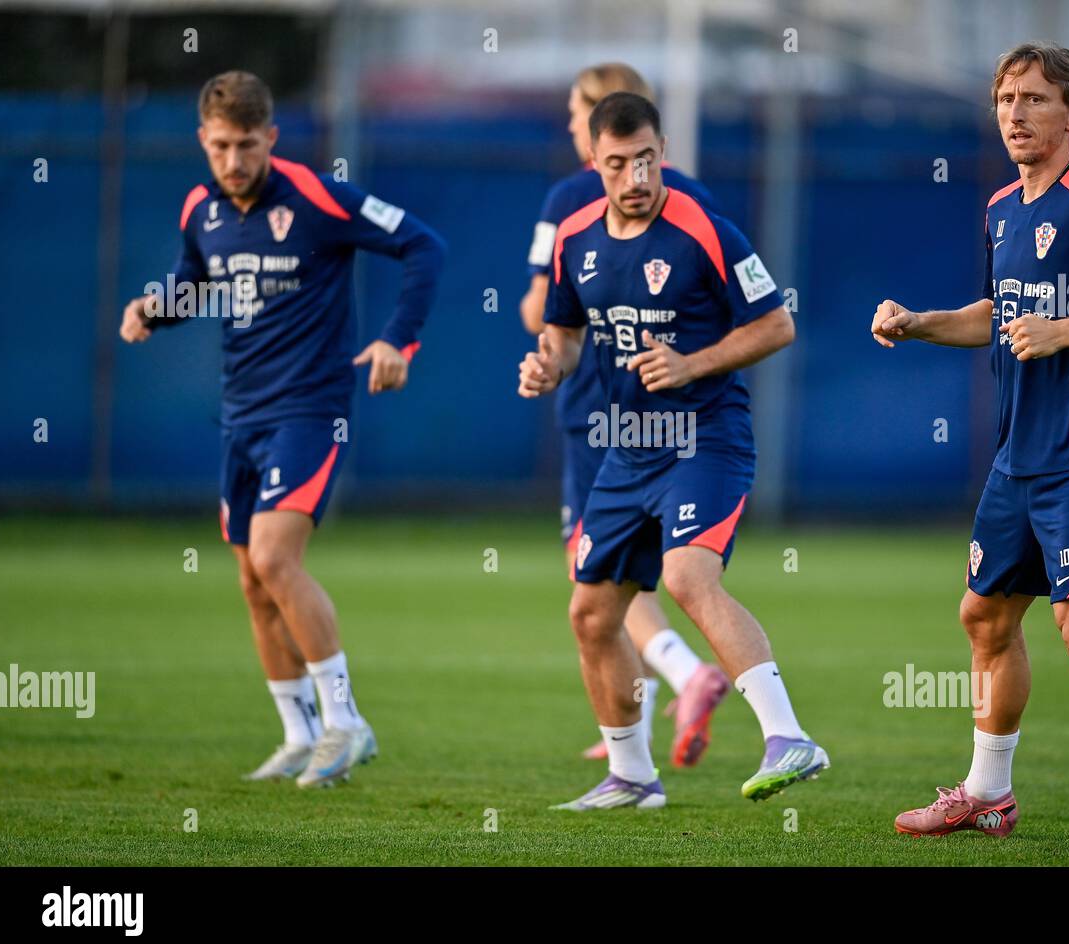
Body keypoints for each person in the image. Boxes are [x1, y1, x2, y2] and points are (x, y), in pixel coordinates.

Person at [872, 43, 1069, 851]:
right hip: (1019, 457)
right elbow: (996, 314)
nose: (1015, 113)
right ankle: (988, 793)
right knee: (984, 616)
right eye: (1006, 99)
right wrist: (919, 322)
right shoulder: (1002, 208)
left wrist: (1067, 330)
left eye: (1036, 99)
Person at [119, 71, 447, 788]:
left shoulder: (316, 196)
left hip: (310, 407)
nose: (232, 162)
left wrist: (399, 339)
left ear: (270, 136)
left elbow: (424, 245)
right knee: (251, 580)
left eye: (245, 145)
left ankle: (346, 721)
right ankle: (299, 735)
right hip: (242, 412)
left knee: (274, 558)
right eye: (218, 147)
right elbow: (196, 278)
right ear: (202, 142)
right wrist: (155, 307)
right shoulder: (200, 207)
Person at [519, 92, 828, 809]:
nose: (636, 177)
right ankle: (632, 776)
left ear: (663, 153)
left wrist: (694, 363)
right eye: (619, 163)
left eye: (647, 159)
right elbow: (564, 335)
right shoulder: (574, 238)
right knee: (591, 613)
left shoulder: (703, 230)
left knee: (688, 578)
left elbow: (777, 325)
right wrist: (547, 366)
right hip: (627, 453)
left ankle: (789, 736)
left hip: (705, 440)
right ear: (594, 164)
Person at [520, 63, 729, 767]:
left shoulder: (570, 197)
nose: (576, 123)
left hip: (598, 415)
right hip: (649, 420)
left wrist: (551, 339)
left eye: (579, 109)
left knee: (597, 578)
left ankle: (680, 679)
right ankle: (633, 745)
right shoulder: (691, 194)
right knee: (617, 581)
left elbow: (539, 308)